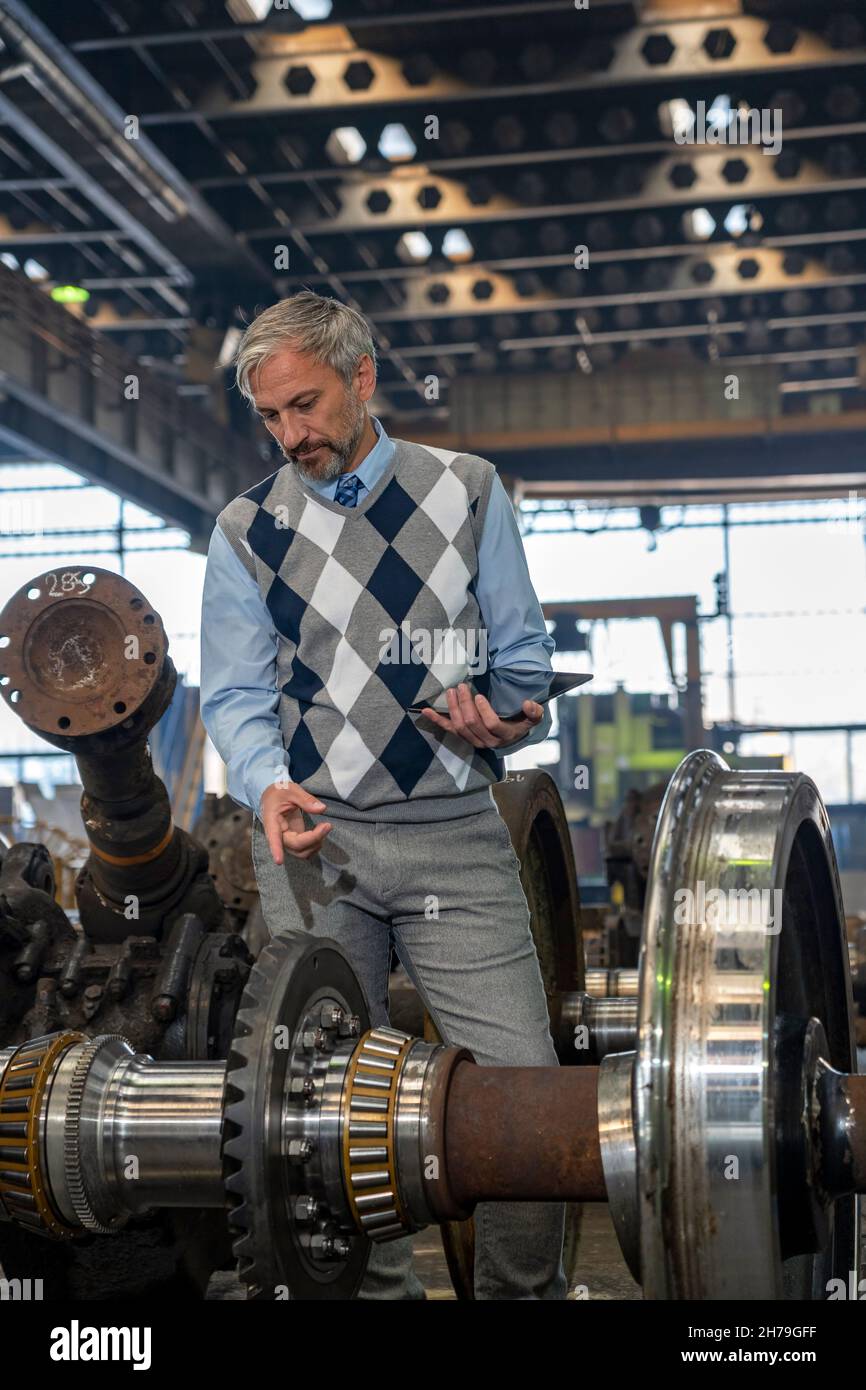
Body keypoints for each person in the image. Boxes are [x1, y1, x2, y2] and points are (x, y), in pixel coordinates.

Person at [200, 290, 566, 1300]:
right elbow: (235, 693)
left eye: (306, 405)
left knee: (521, 1094)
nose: (292, 435)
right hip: (318, 850)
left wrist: (505, 711)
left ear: (363, 377)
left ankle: (516, 1295)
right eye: (271, 418)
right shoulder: (244, 531)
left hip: (456, 834)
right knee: (316, 1117)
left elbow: (524, 660)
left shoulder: (467, 491)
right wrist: (266, 786)